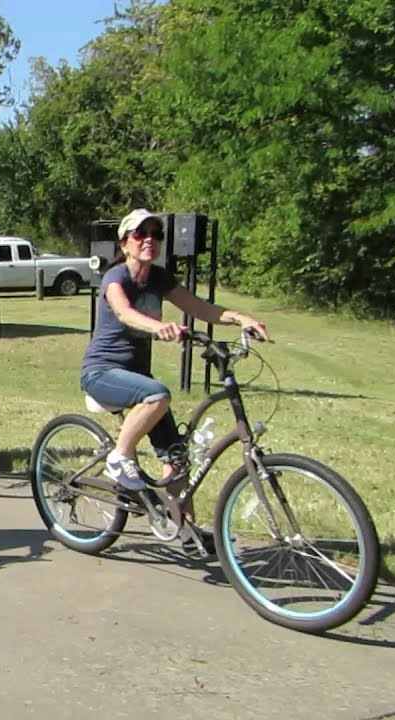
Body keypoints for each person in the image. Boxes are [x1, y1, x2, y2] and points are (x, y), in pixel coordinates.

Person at [80, 208, 270, 555]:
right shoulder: (116, 277)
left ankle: (187, 530)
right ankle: (119, 458)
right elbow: (123, 312)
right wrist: (158, 327)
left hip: (137, 378)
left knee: (176, 456)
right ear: (124, 244)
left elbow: (201, 308)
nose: (149, 240)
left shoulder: (159, 278)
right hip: (101, 372)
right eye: (140, 234)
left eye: (156, 234)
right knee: (158, 394)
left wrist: (241, 318)